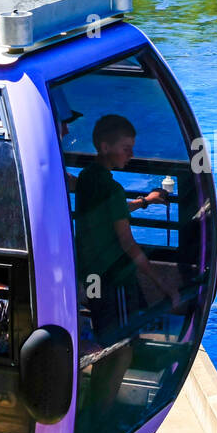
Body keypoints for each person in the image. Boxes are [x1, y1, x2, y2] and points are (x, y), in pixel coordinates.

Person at [74, 114, 180, 343]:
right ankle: (107, 378)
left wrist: (145, 201)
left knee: (104, 331)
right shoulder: (112, 189)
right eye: (126, 148)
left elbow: (109, 212)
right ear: (105, 147)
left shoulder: (86, 178)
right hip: (113, 280)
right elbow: (129, 244)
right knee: (120, 347)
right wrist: (162, 285)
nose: (131, 154)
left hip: (91, 274)